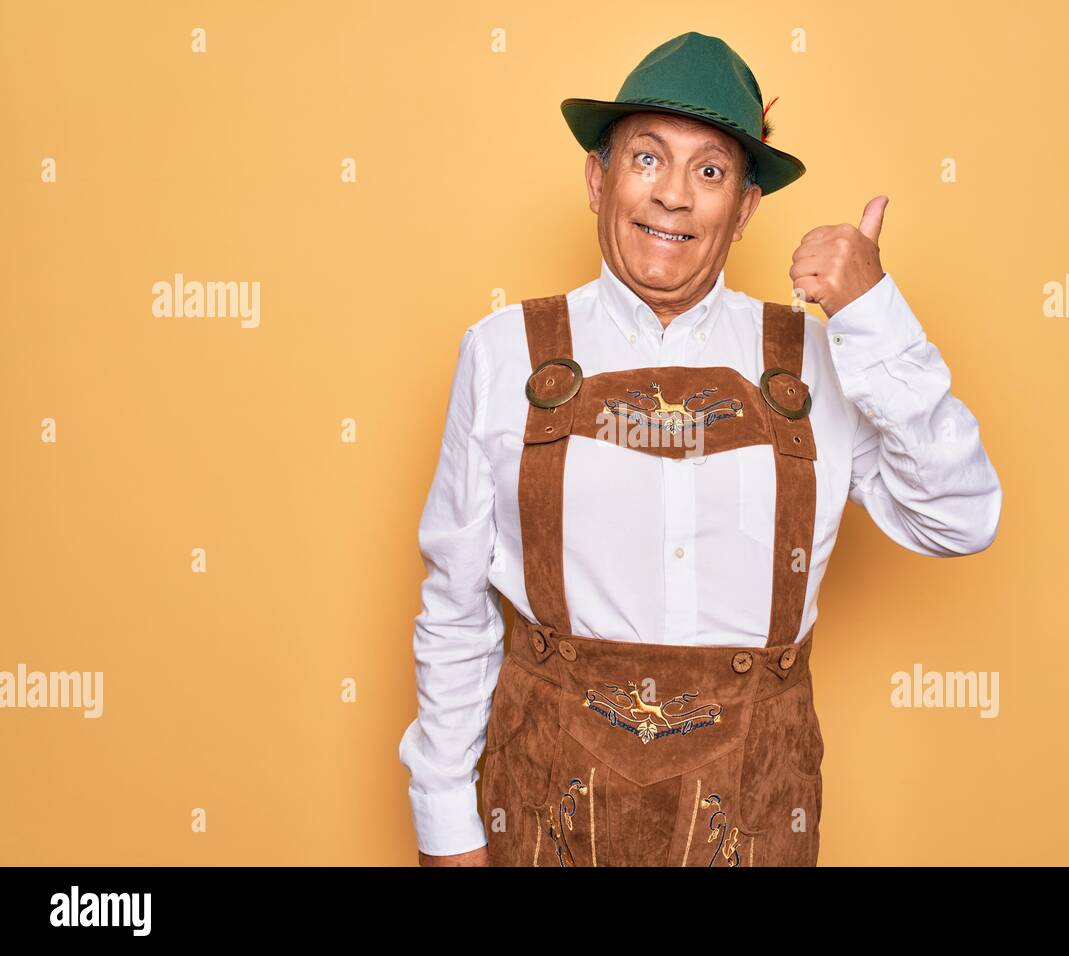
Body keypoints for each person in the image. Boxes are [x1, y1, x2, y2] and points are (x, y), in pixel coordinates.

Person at [398, 31, 1002, 867]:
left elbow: (962, 519)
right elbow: (456, 604)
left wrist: (876, 317)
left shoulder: (825, 359)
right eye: (647, 159)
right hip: (537, 813)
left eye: (710, 171)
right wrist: (444, 820)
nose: (674, 197)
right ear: (598, 179)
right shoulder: (505, 352)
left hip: (757, 815)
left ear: (746, 208)